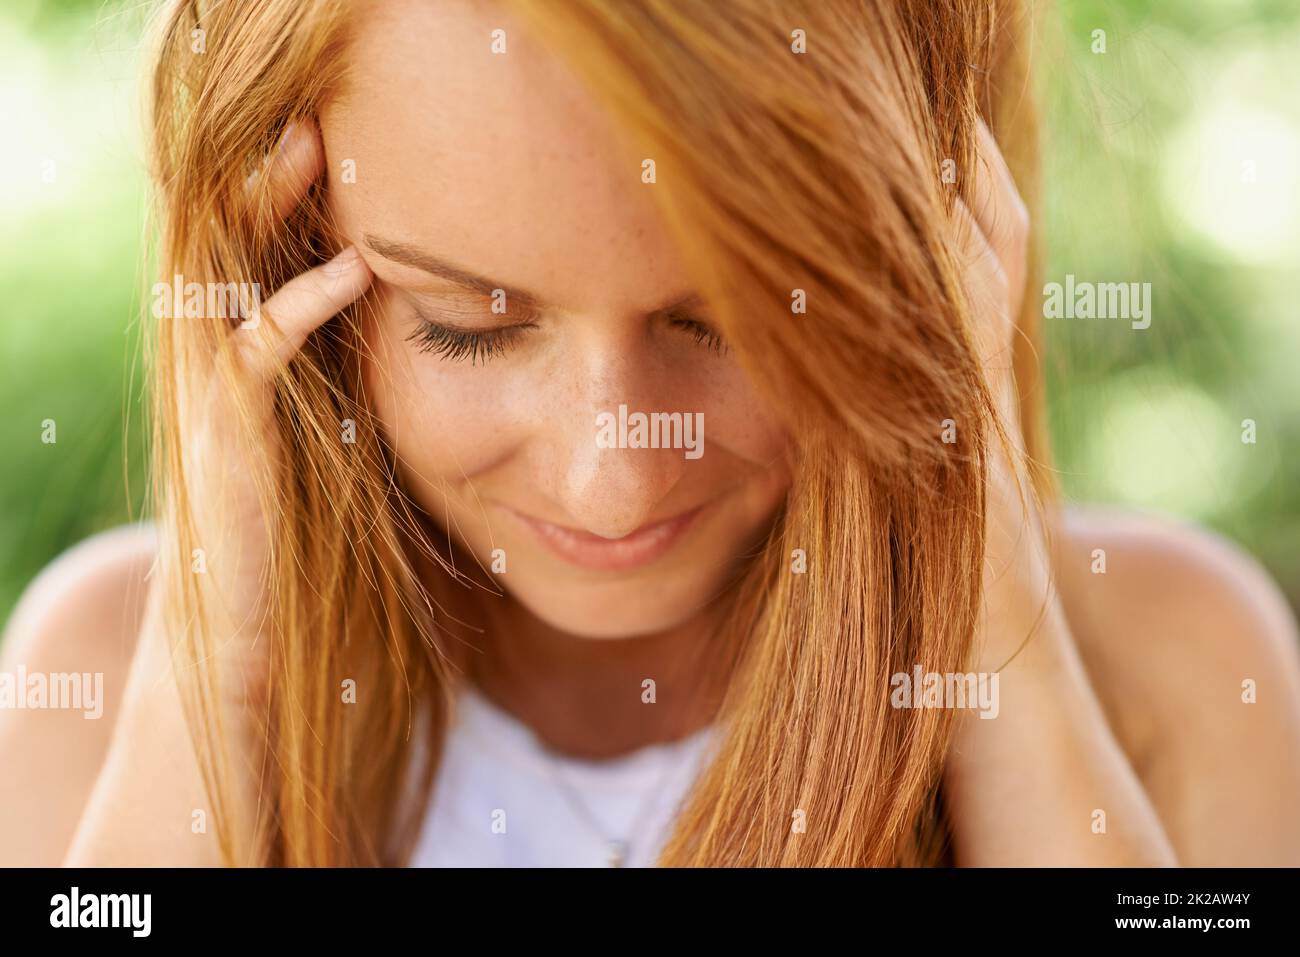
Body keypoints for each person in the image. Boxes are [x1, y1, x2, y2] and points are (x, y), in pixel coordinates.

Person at [2, 0, 1298, 867]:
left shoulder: (1172, 665)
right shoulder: (108, 674)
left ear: (943, 260)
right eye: (467, 324)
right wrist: (214, 682)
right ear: (282, 268)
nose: (610, 475)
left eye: (731, 324)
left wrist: (978, 586)